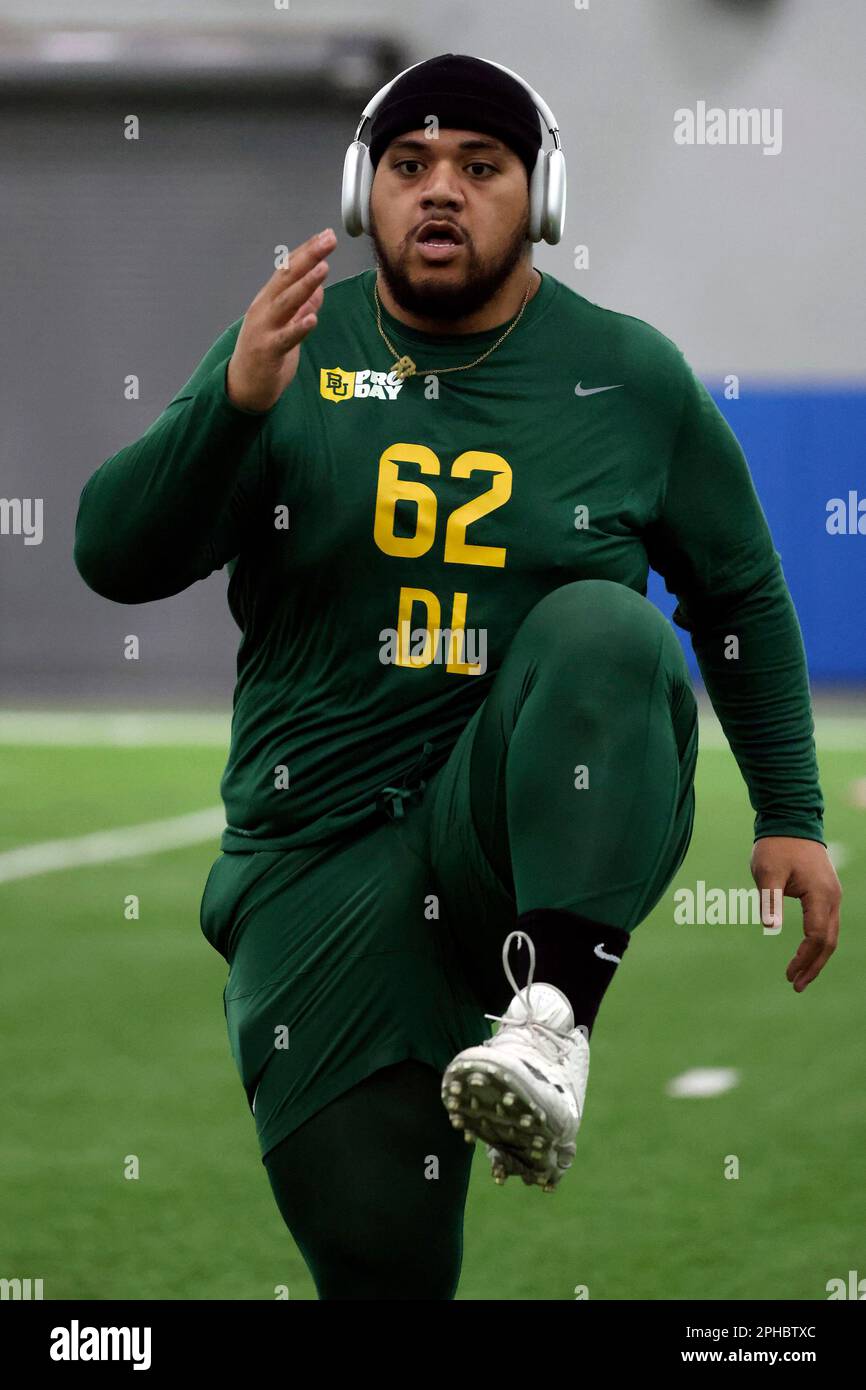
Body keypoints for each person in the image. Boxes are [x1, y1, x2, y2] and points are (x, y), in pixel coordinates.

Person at [74, 53, 840, 1301]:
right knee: (382, 1273)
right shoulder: (291, 349)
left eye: (478, 168)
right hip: (316, 851)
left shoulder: (625, 374)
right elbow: (112, 556)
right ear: (361, 189)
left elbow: (737, 595)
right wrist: (232, 404)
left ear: (536, 198)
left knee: (608, 630)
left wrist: (791, 815)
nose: (440, 191)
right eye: (408, 165)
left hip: (510, 828)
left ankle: (550, 1016)